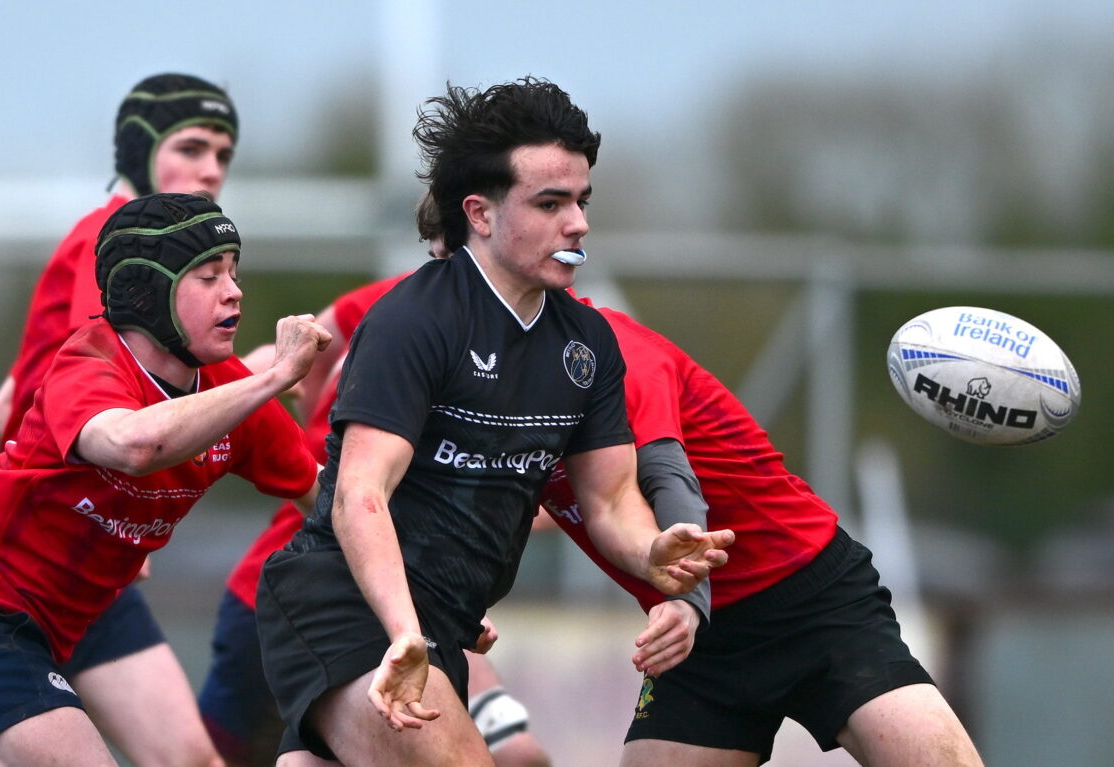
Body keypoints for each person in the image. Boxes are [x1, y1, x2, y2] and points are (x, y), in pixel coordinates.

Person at [253, 76, 734, 766]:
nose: (578, 223)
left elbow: (610, 498)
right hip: (348, 606)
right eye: (550, 203)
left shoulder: (586, 343)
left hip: (442, 625)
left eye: (581, 200)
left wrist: (649, 553)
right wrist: (403, 633)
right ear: (478, 213)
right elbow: (360, 494)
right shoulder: (414, 320)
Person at [0, 192, 330, 767]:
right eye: (209, 276)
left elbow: (338, 503)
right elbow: (135, 445)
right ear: (148, 291)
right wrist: (278, 374)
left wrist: (422, 601)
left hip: (69, 627)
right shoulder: (88, 364)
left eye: (234, 272)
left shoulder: (234, 397)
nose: (234, 291)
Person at [534, 302, 986, 765]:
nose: (576, 226)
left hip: (810, 597)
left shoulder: (600, 346)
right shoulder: (474, 371)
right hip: (701, 645)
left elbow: (670, 479)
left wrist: (689, 599)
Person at [0, 73, 239, 767]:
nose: (211, 168)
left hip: (90, 566)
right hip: (28, 567)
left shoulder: (167, 254)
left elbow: (8, 400)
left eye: (223, 153)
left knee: (189, 757)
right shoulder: (115, 247)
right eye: (192, 147)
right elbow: (108, 405)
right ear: (138, 151)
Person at [199, 265, 552, 767]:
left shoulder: (561, 339)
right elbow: (314, 363)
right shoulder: (398, 307)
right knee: (204, 754)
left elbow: (574, 483)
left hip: (409, 598)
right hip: (302, 592)